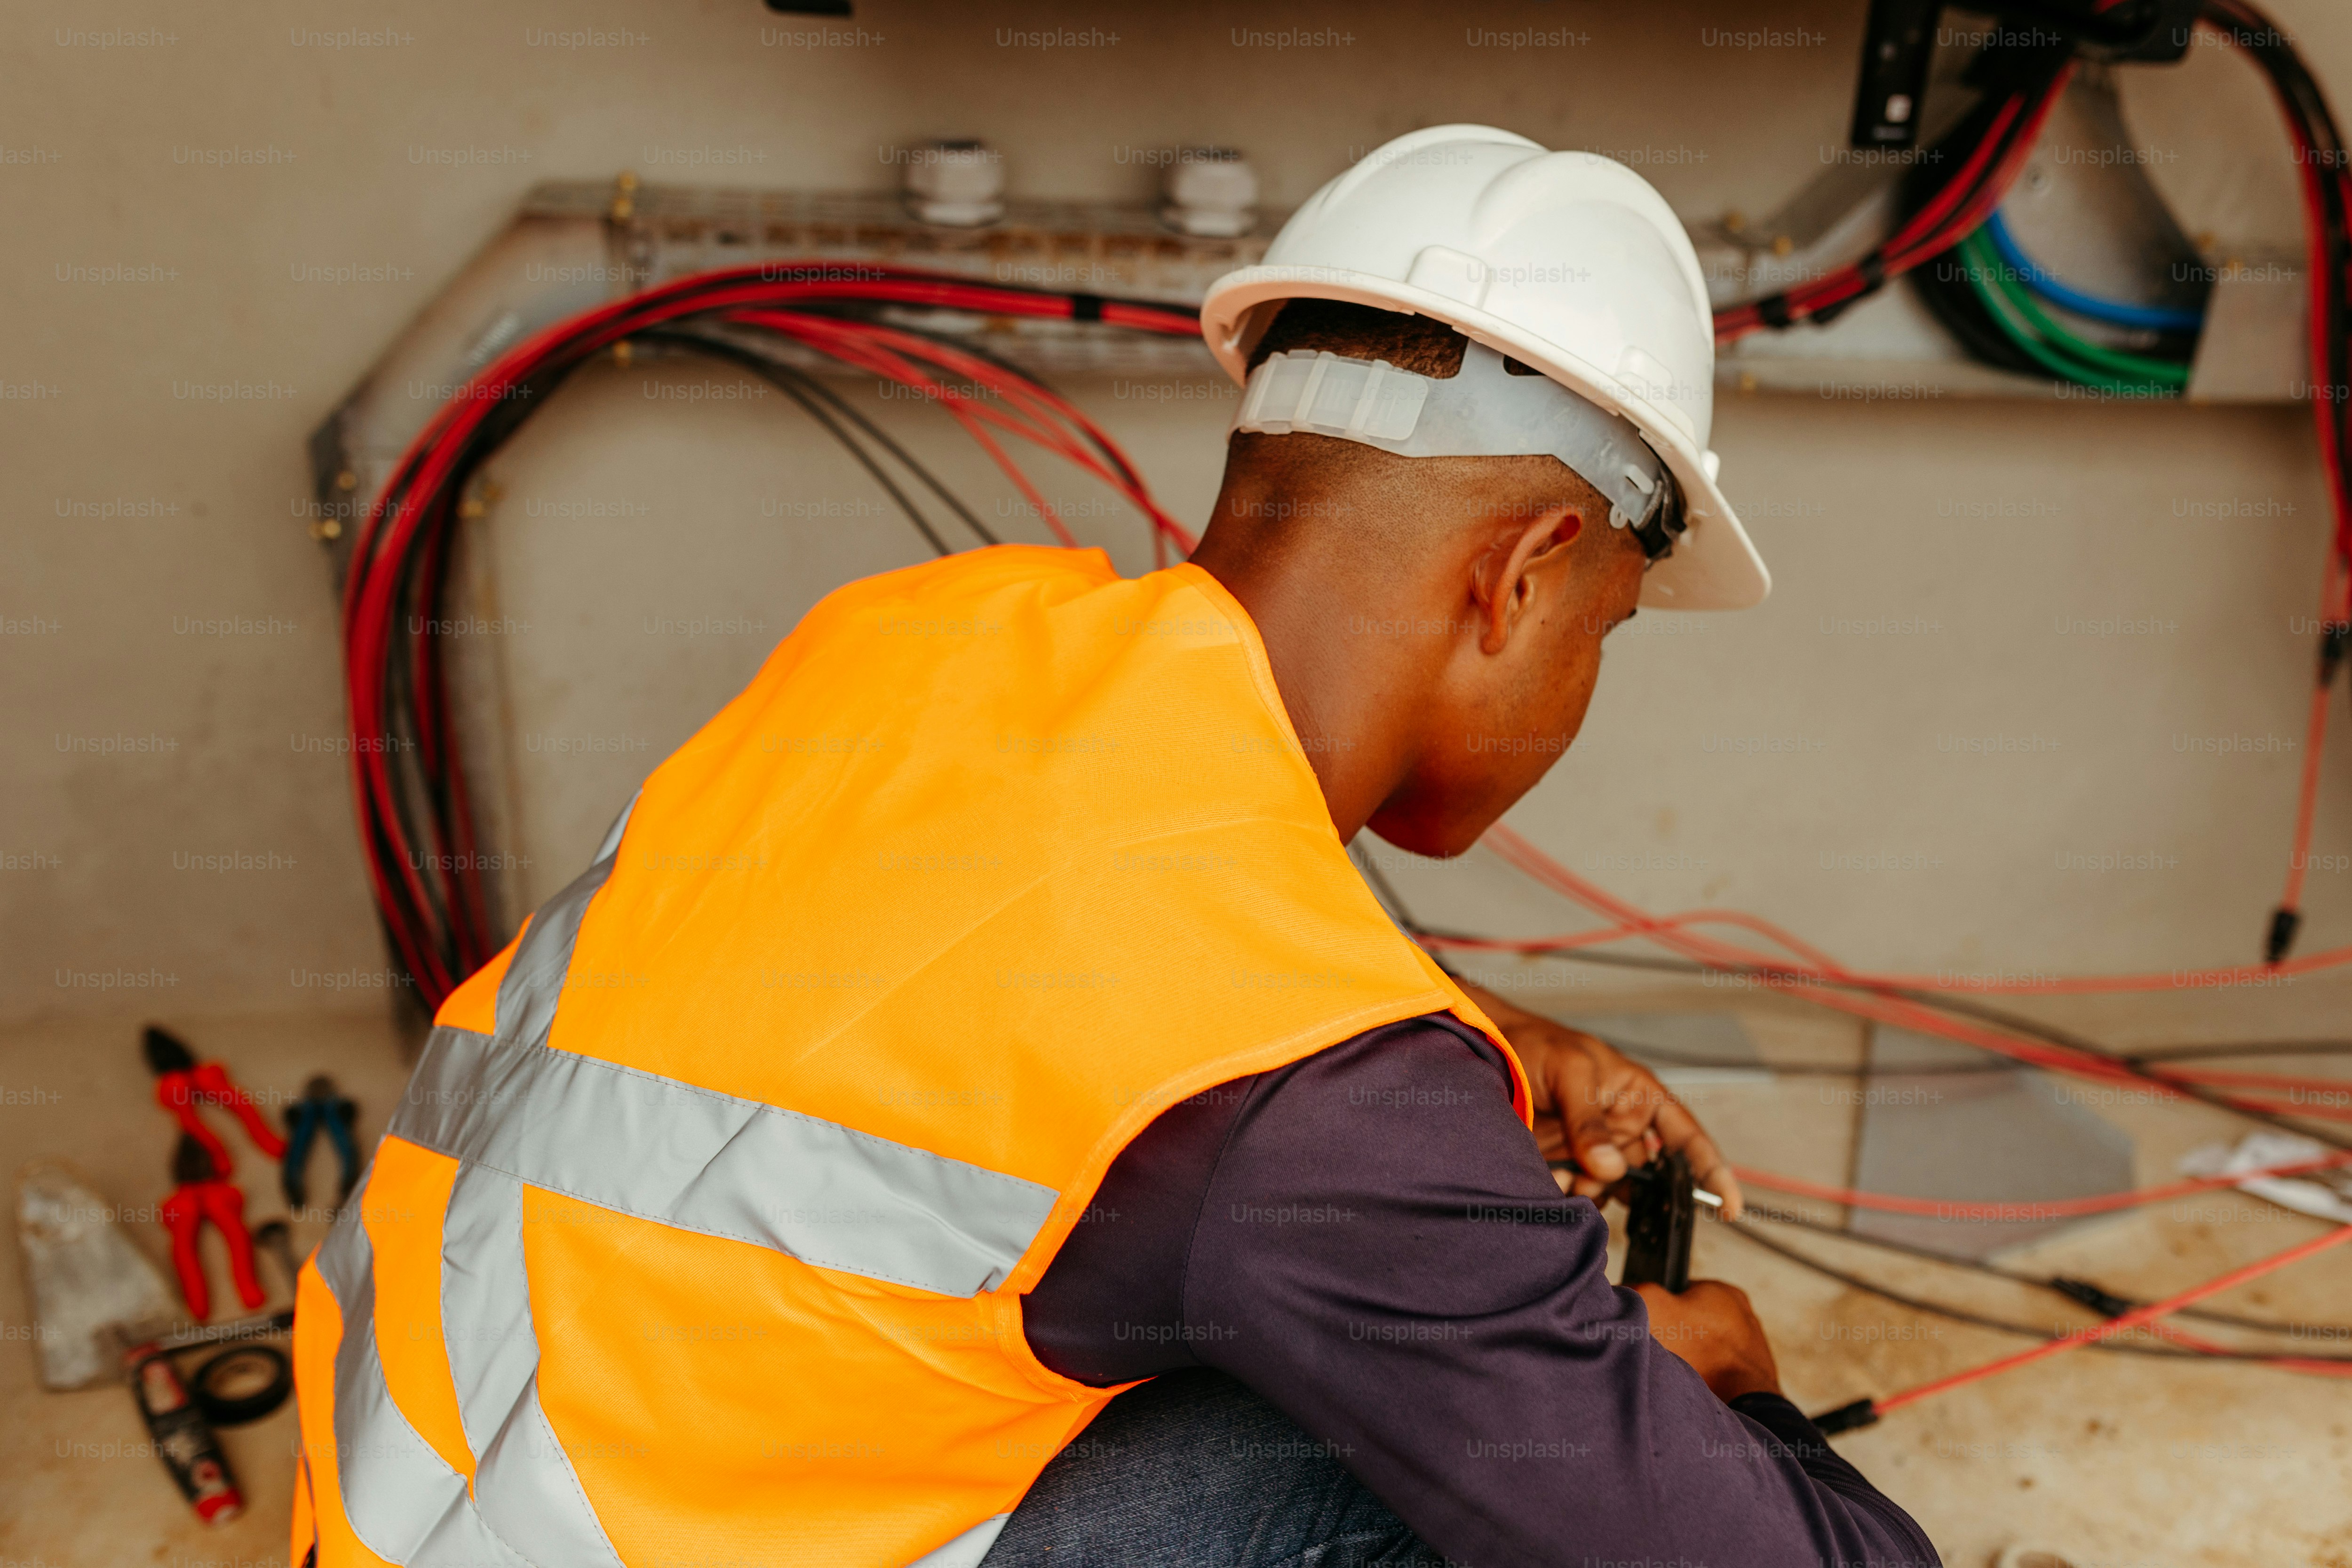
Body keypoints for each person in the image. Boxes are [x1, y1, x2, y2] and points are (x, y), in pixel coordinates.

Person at [290, 127, 1937, 1568]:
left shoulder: (929, 634)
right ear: (1523, 576)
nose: (1588, 683)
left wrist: (1491, 1036)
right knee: (1455, 1474)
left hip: (412, 1509)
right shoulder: (1325, 1109)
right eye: (1610, 629)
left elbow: (1014, 966)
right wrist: (1720, 1391)